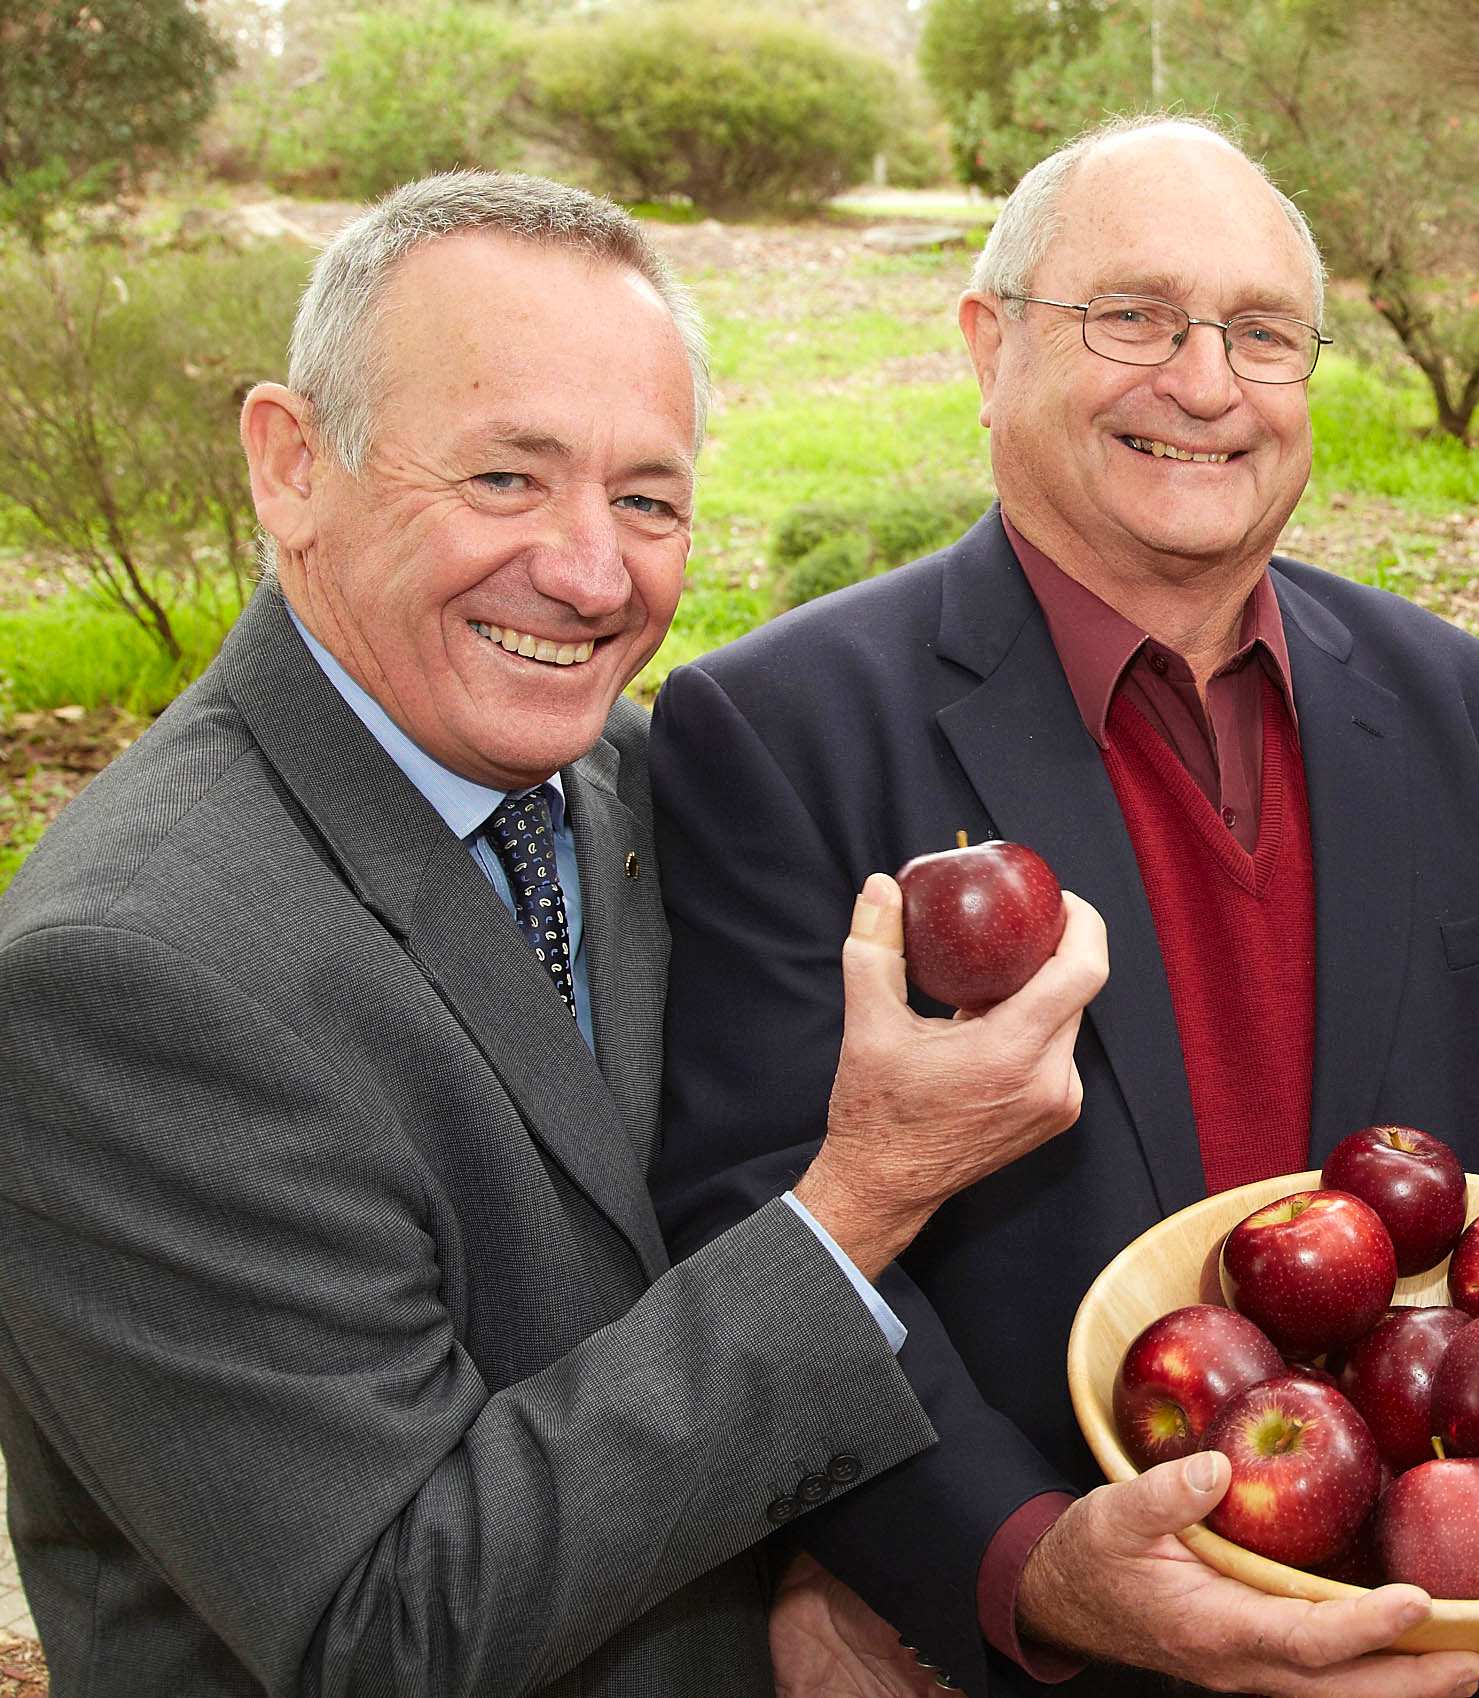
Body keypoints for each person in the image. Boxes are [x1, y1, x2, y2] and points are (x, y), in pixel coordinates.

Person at [648, 116, 1479, 1698]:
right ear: (986, 343)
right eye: (1137, 318)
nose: (1207, 381)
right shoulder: (784, 726)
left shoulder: (1450, 700)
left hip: (1418, 1625)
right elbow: (763, 1217)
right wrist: (1017, 1561)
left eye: (1261, 332)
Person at [0, 171, 1110, 1697]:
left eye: (647, 497)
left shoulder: (629, 782)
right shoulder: (129, 975)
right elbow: (387, 1628)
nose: (593, 574)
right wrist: (862, 1196)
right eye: (505, 480)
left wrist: (816, 1562)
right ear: (289, 464)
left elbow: (661, 1277)